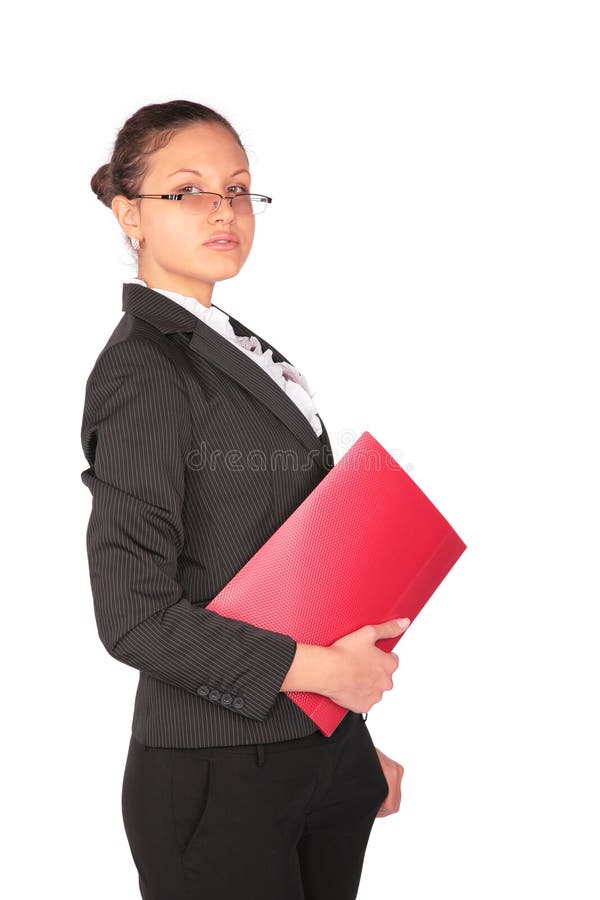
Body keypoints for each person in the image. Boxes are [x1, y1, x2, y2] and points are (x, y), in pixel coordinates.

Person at [81, 98, 410, 900]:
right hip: (215, 775)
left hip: (311, 752)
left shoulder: (232, 346)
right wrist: (327, 673)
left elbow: (283, 560)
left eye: (237, 188)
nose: (222, 209)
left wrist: (347, 744)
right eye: (187, 190)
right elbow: (134, 617)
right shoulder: (144, 372)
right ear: (130, 214)